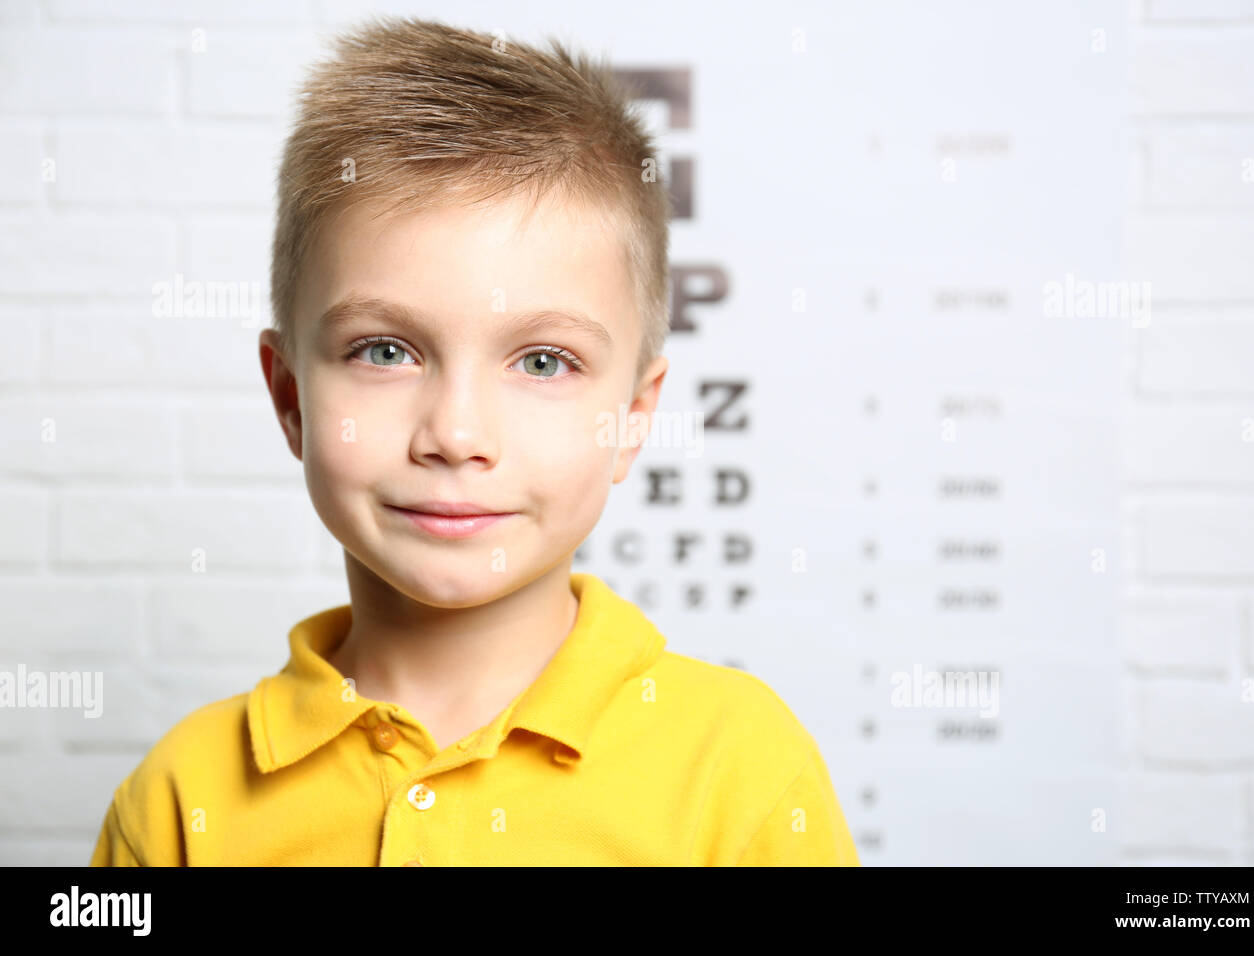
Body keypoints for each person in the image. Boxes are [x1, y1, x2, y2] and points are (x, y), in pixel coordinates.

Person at [89, 14, 858, 866]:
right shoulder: (179, 800)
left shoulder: (741, 771)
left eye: (542, 361)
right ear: (290, 396)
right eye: (385, 350)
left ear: (633, 418)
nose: (456, 435)